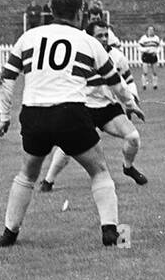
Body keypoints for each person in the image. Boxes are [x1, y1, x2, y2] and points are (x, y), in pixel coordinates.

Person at [0, 0, 144, 247]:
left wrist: (4, 116)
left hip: (33, 113)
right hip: (70, 113)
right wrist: (130, 103)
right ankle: (109, 231)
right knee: (99, 171)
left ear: (52, 12)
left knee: (27, 175)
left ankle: (9, 233)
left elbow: (7, 78)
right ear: (79, 13)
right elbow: (115, 82)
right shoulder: (87, 42)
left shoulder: (28, 37)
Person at [40, 20, 148, 191]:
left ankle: (128, 167)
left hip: (107, 107)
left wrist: (132, 102)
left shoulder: (117, 57)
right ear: (90, 37)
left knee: (133, 137)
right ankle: (48, 181)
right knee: (67, 146)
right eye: (100, 35)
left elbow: (127, 81)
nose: (104, 39)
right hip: (83, 107)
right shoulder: (78, 56)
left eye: (106, 35)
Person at [137, 25, 163, 90]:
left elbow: (159, 47)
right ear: (147, 31)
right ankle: (144, 85)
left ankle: (155, 85)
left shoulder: (156, 38)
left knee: (154, 71)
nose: (151, 32)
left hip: (153, 55)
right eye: (149, 30)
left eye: (152, 30)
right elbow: (139, 47)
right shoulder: (143, 38)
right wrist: (145, 50)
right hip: (146, 55)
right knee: (145, 71)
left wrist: (156, 52)